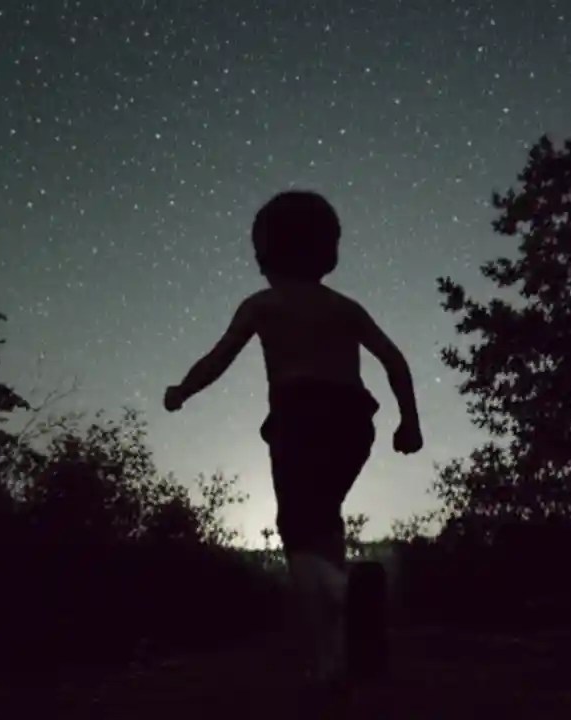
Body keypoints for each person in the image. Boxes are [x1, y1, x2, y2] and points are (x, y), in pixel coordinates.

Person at [163, 190, 423, 702]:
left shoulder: (264, 304)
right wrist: (409, 423)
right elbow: (395, 361)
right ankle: (334, 664)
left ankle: (346, 599)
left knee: (299, 536)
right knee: (323, 526)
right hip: (354, 424)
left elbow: (218, 358)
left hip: (301, 418)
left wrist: (182, 391)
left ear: (265, 251)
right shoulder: (345, 308)